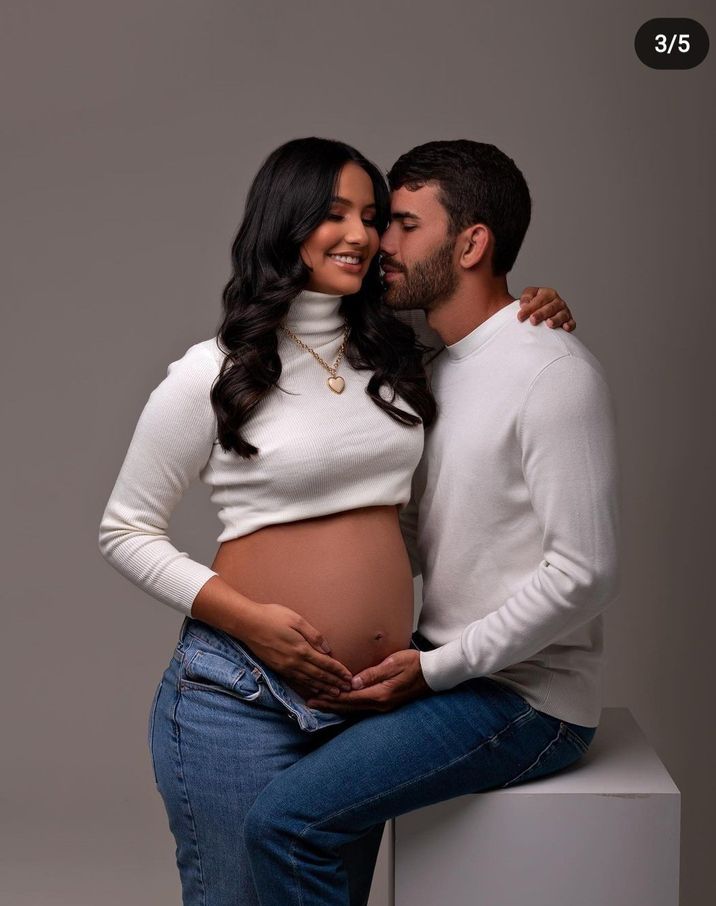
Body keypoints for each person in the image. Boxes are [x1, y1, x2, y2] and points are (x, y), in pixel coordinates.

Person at [97, 136, 573, 906]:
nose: (361, 234)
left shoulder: (397, 351)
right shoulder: (213, 372)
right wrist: (253, 622)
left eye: (373, 215)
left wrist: (534, 308)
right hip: (239, 695)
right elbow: (125, 529)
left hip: (364, 703)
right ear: (285, 223)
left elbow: (480, 325)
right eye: (333, 214)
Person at [240, 139, 620, 906]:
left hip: (524, 701)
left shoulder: (553, 373)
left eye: (405, 225)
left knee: (288, 822)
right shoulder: (436, 367)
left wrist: (434, 670)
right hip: (439, 668)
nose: (382, 243)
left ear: (473, 242)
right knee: (301, 802)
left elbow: (586, 572)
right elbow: (423, 530)